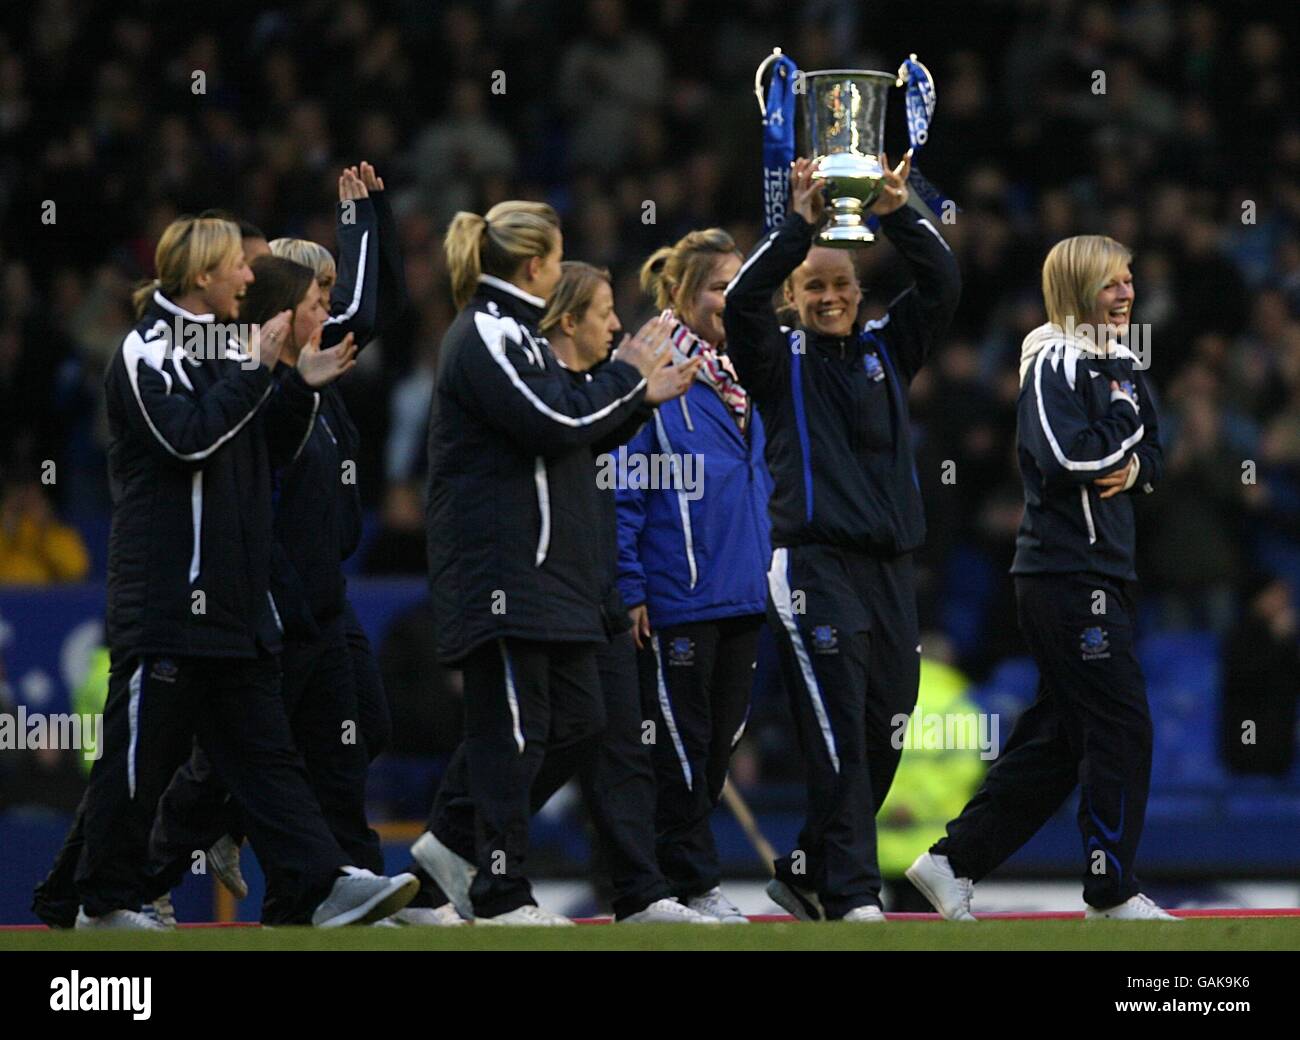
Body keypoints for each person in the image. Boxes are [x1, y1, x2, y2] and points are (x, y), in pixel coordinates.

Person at [41, 215, 416, 929]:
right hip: (170, 591)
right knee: (139, 759)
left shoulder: (232, 349)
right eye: (239, 268)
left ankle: (321, 882)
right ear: (202, 275)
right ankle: (101, 898)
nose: (252, 276)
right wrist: (256, 372)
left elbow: (264, 450)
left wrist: (297, 385)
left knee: (265, 757)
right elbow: (186, 443)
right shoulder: (147, 350)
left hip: (236, 599)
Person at [413, 201, 682, 925]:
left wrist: (633, 391)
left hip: (542, 574)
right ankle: (500, 891)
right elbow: (556, 420)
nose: (561, 273)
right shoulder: (486, 332)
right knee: (513, 733)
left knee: (577, 723)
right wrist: (631, 379)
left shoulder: (519, 336)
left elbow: (571, 426)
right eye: (559, 260)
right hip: (501, 570)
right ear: (534, 265)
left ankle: (451, 843)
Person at [909, 234, 1177, 921]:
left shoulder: (1115, 360)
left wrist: (1138, 458)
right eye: (1113, 283)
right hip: (1067, 571)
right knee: (1121, 727)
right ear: (1079, 289)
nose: (1127, 295)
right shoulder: (1056, 357)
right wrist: (1124, 417)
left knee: (1061, 741)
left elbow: (1158, 449)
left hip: (1100, 570)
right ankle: (1111, 891)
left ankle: (951, 861)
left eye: (1129, 282)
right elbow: (1068, 456)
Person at [723, 154, 961, 922]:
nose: (830, 297)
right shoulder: (773, 359)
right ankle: (851, 894)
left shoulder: (889, 349)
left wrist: (898, 211)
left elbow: (944, 284)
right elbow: (738, 301)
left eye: (842, 284)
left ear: (861, 292)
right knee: (838, 735)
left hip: (890, 567)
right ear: (793, 295)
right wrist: (797, 227)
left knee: (888, 721)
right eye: (814, 286)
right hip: (812, 564)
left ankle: (804, 867)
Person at [616, 229, 772, 922]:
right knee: (682, 749)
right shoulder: (651, 369)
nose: (730, 301)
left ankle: (672, 876)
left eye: (739, 287)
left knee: (715, 747)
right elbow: (622, 486)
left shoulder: (741, 371)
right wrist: (630, 586)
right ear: (681, 292)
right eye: (718, 287)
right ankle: (688, 883)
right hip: (677, 594)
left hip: (741, 588)